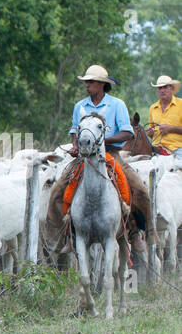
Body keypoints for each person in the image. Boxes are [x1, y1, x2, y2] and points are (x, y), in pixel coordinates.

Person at [48, 64, 149, 259]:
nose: (87, 85)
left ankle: (137, 230)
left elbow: (127, 132)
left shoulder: (117, 104)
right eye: (86, 82)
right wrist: (76, 145)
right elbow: (74, 132)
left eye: (91, 82)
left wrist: (102, 140)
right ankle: (65, 234)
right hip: (84, 156)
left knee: (139, 189)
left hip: (111, 154)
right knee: (56, 191)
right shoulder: (80, 106)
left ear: (102, 84)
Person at [146, 74, 182, 154]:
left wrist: (171, 128)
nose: (162, 90)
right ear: (157, 91)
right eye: (160, 88)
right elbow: (152, 133)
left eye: (165, 87)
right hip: (156, 149)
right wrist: (150, 133)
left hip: (177, 149)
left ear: (172, 89)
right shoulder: (153, 108)